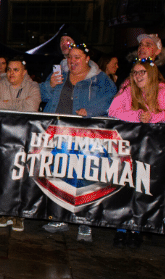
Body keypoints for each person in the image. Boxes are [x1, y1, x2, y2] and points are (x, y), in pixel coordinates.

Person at [40, 43, 116, 242]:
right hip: (57, 132)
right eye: (70, 57)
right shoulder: (60, 75)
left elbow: (111, 99)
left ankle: (84, 222)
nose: (72, 61)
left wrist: (90, 111)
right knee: (58, 173)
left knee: (84, 177)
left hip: (85, 135)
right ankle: (59, 218)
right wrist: (50, 85)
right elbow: (43, 95)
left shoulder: (100, 78)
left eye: (77, 57)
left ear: (87, 58)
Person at [107, 58, 165, 248]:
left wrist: (154, 117)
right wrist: (137, 115)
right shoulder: (128, 91)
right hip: (131, 148)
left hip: (153, 150)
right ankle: (122, 228)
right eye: (135, 72)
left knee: (144, 189)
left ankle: (138, 228)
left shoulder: (162, 91)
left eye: (142, 72)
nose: (138, 76)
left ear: (152, 73)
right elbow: (113, 111)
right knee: (126, 186)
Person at [0, 57, 41, 232]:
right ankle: (6, 212)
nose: (11, 73)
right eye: (9, 69)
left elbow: (31, 107)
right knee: (4, 175)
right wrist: (19, 104)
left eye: (16, 70)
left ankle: (20, 215)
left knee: (23, 175)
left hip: (25, 137)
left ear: (24, 72)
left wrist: (7, 105)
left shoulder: (33, 86)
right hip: (3, 136)